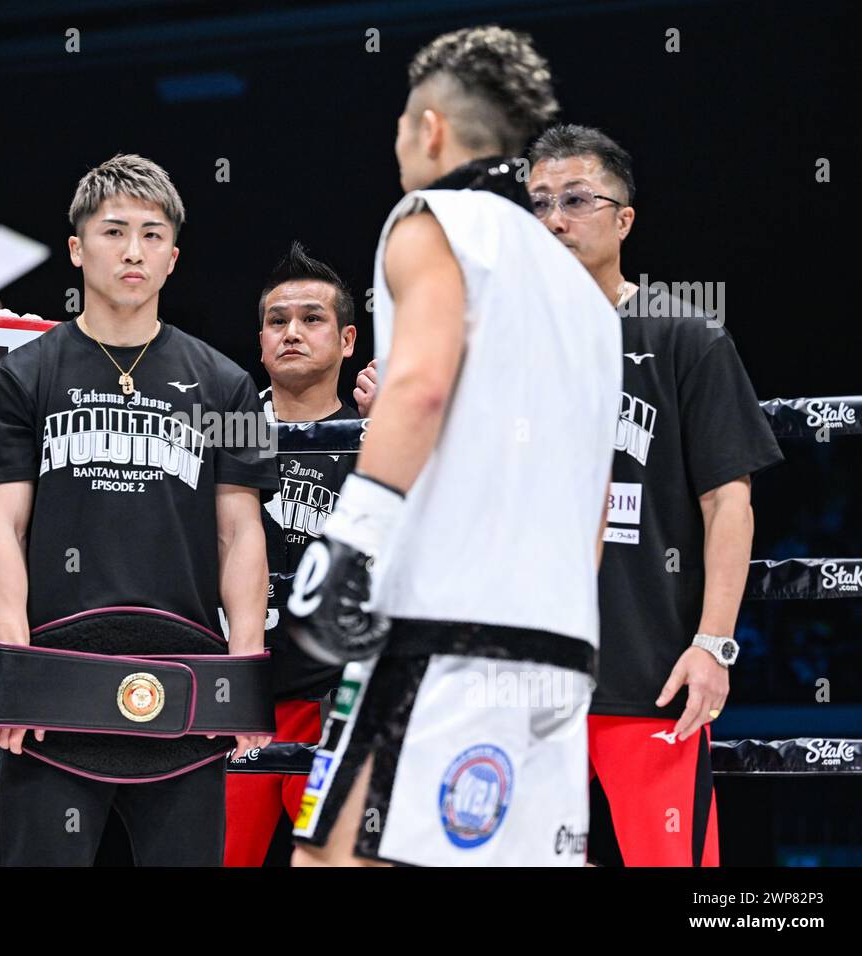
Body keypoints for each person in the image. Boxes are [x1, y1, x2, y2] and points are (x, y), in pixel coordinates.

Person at [287, 25, 621, 866]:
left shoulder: (432, 221)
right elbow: (593, 491)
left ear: (431, 127)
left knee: (330, 857)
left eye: (403, 122)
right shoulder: (585, 297)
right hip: (559, 648)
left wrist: (348, 545)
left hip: (441, 632)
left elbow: (420, 384)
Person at [0, 154, 278, 866]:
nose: (132, 250)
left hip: (188, 688)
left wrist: (245, 666)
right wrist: (14, 663)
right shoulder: (24, 377)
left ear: (173, 256)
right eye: (113, 232)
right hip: (54, 687)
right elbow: (1, 528)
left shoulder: (225, 385)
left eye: (151, 233)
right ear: (78, 249)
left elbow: (240, 533)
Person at [528, 124, 783, 866]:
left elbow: (728, 502)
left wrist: (712, 645)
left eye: (577, 199)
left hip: (651, 678)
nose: (555, 220)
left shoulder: (685, 336)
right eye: (539, 202)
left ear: (624, 219)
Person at [224, 242, 372, 866]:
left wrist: (392, 433)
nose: (291, 332)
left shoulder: (380, 439)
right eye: (277, 321)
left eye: (312, 319)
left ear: (346, 340)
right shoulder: (218, 434)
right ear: (259, 342)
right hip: (235, 692)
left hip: (338, 697)